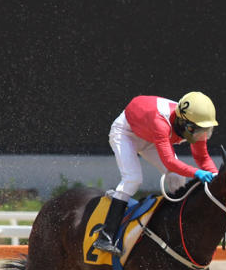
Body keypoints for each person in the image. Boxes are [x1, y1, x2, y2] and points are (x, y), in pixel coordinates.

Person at [92, 92, 219, 256]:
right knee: (133, 179)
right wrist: (197, 172)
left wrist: (216, 176)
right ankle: (105, 236)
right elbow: (169, 162)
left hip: (150, 136)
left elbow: (202, 157)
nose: (202, 135)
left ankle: (175, 232)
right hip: (126, 133)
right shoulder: (161, 123)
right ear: (183, 122)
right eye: (198, 130)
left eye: (206, 130)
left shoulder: (192, 122)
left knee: (178, 178)